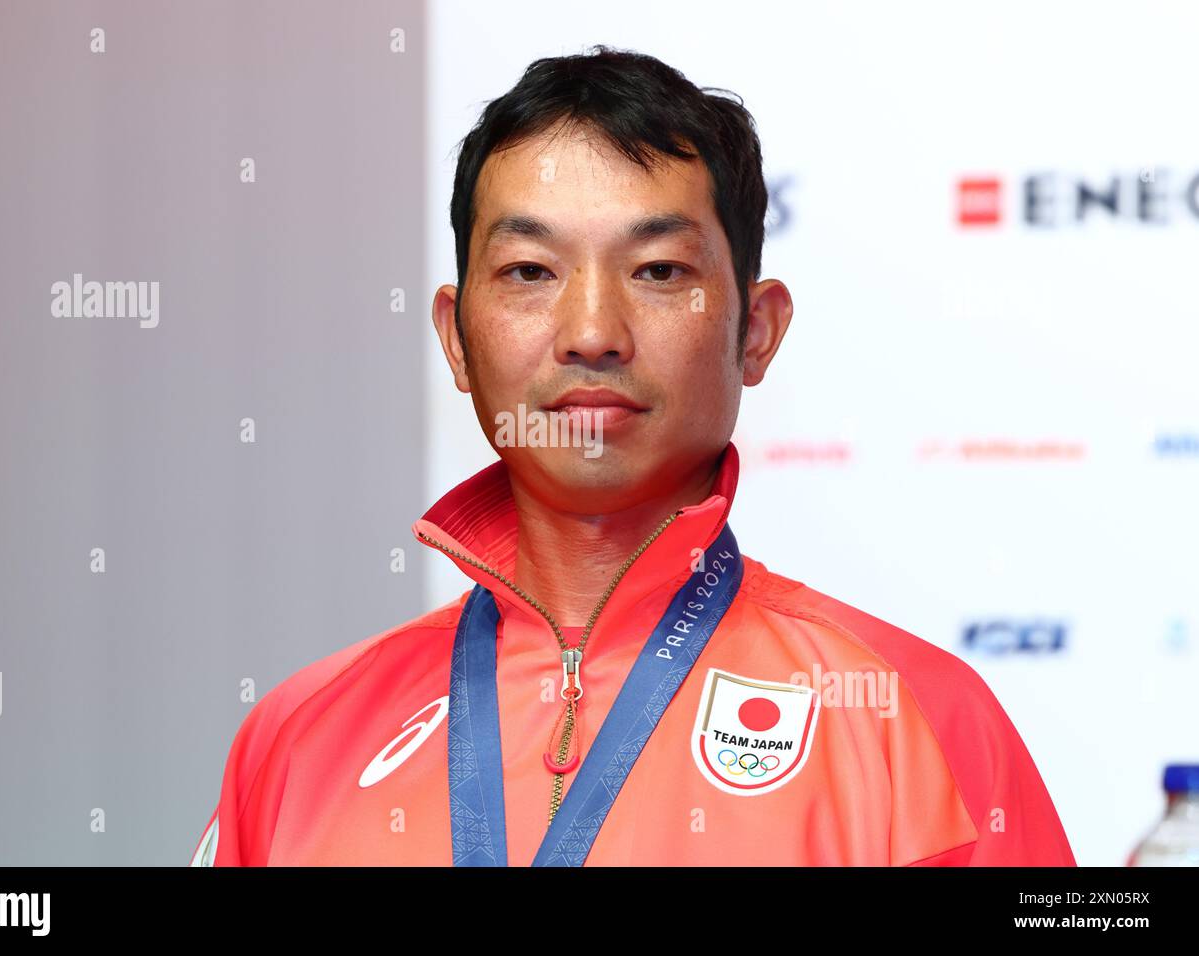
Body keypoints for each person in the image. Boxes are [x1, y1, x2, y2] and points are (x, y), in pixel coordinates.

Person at [190, 45, 1075, 867]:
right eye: (531, 271)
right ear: (456, 341)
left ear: (755, 332)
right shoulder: (298, 738)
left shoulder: (918, 721)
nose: (591, 333)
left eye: (657, 271)